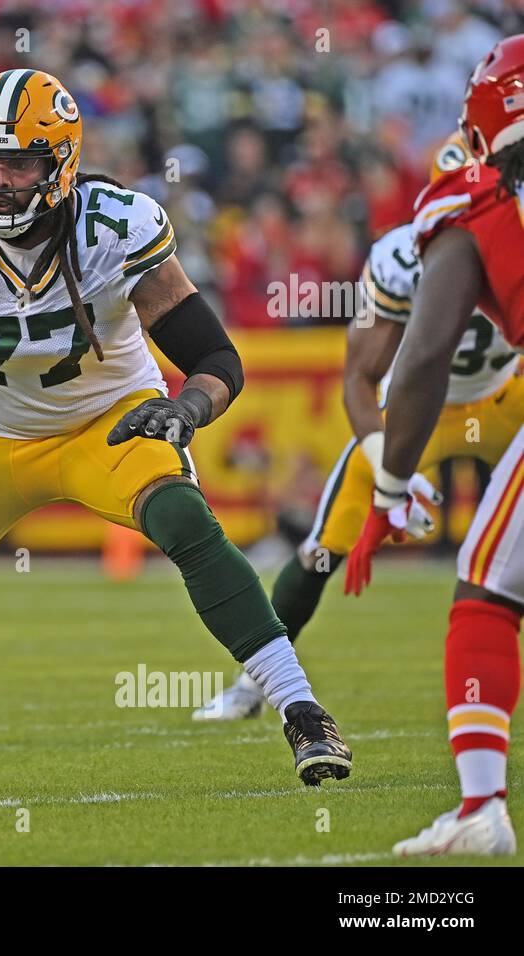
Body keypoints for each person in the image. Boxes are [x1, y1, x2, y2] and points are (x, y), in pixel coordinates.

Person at [0, 68, 352, 793]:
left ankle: (303, 712)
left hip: (107, 421)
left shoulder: (114, 227)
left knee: (183, 517)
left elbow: (214, 358)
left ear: (61, 163)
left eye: (17, 162)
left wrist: (185, 410)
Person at [196, 134, 524, 721]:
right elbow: (358, 379)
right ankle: (256, 680)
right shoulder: (402, 256)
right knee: (322, 551)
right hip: (416, 411)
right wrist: (389, 469)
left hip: (509, 396)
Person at [347, 36, 524, 857]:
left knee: (487, 590)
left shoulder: (473, 198)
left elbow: (418, 359)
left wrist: (389, 491)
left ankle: (481, 808)